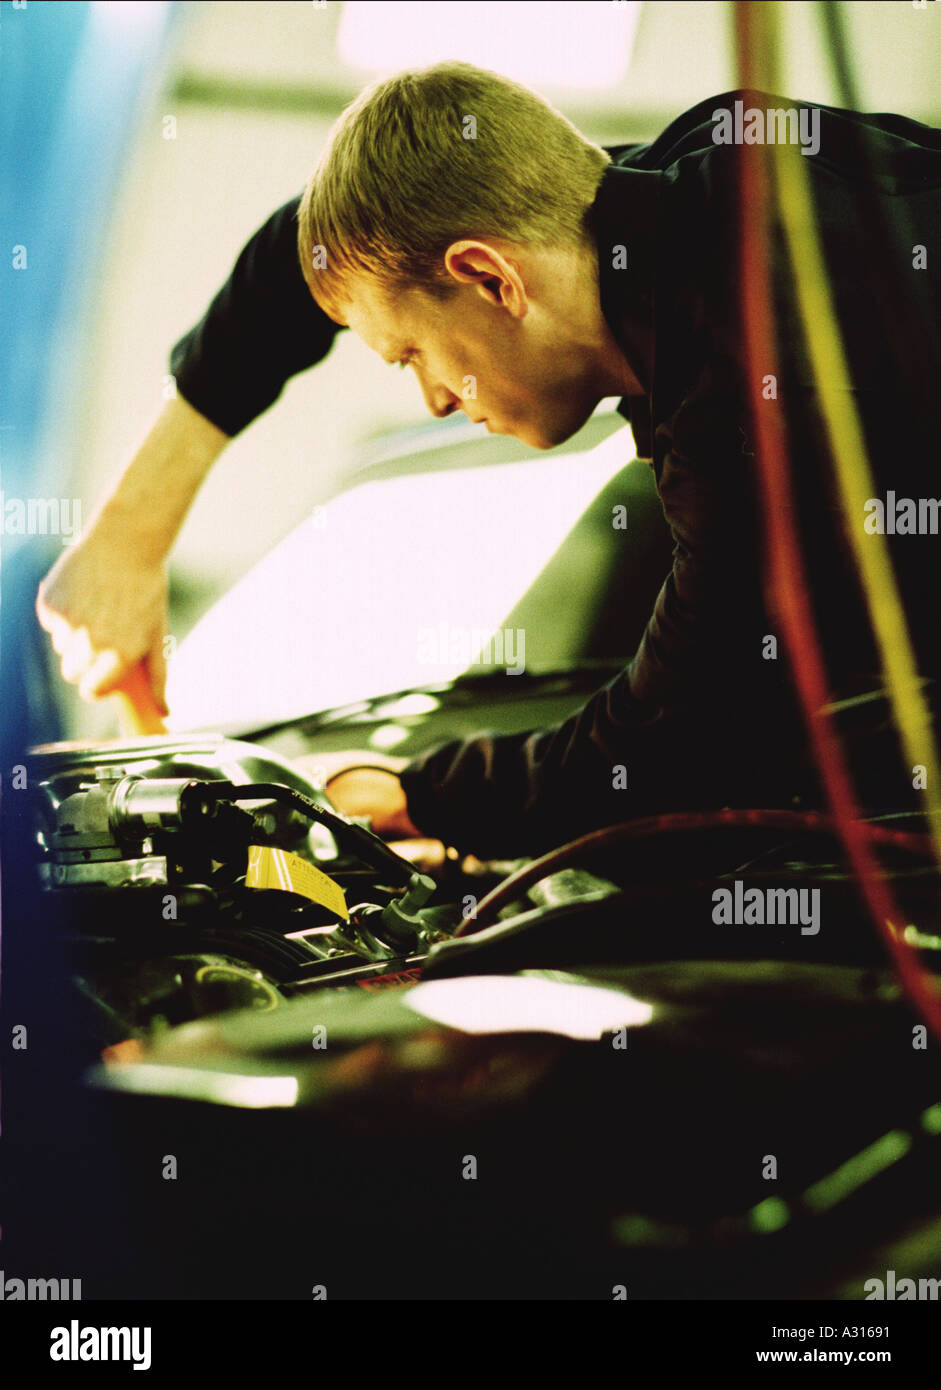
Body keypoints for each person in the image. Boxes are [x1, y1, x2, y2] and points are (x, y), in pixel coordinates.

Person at [36, 64, 941, 858]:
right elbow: (317, 246)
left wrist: (410, 794)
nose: (430, 400)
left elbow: (671, 740)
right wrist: (128, 536)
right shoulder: (669, 190)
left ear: (490, 279)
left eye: (409, 356)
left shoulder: (756, 392)